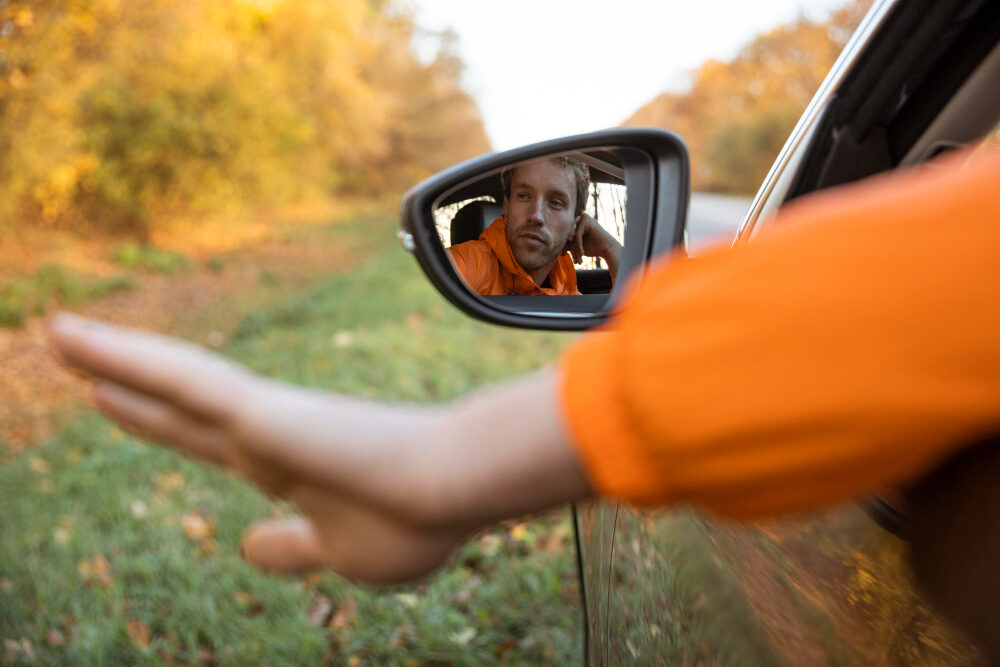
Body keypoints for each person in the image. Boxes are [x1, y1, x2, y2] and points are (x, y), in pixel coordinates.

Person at [48, 147, 1000, 595]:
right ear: (500, 209)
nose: (537, 219)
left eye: (560, 205)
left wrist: (461, 460)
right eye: (522, 199)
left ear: (584, 221)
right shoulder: (480, 264)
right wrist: (452, 462)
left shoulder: (591, 270)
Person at [448, 156, 622, 295]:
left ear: (574, 226)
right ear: (507, 207)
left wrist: (611, 249)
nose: (535, 216)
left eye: (555, 202)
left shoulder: (568, 296)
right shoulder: (468, 264)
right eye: (523, 196)